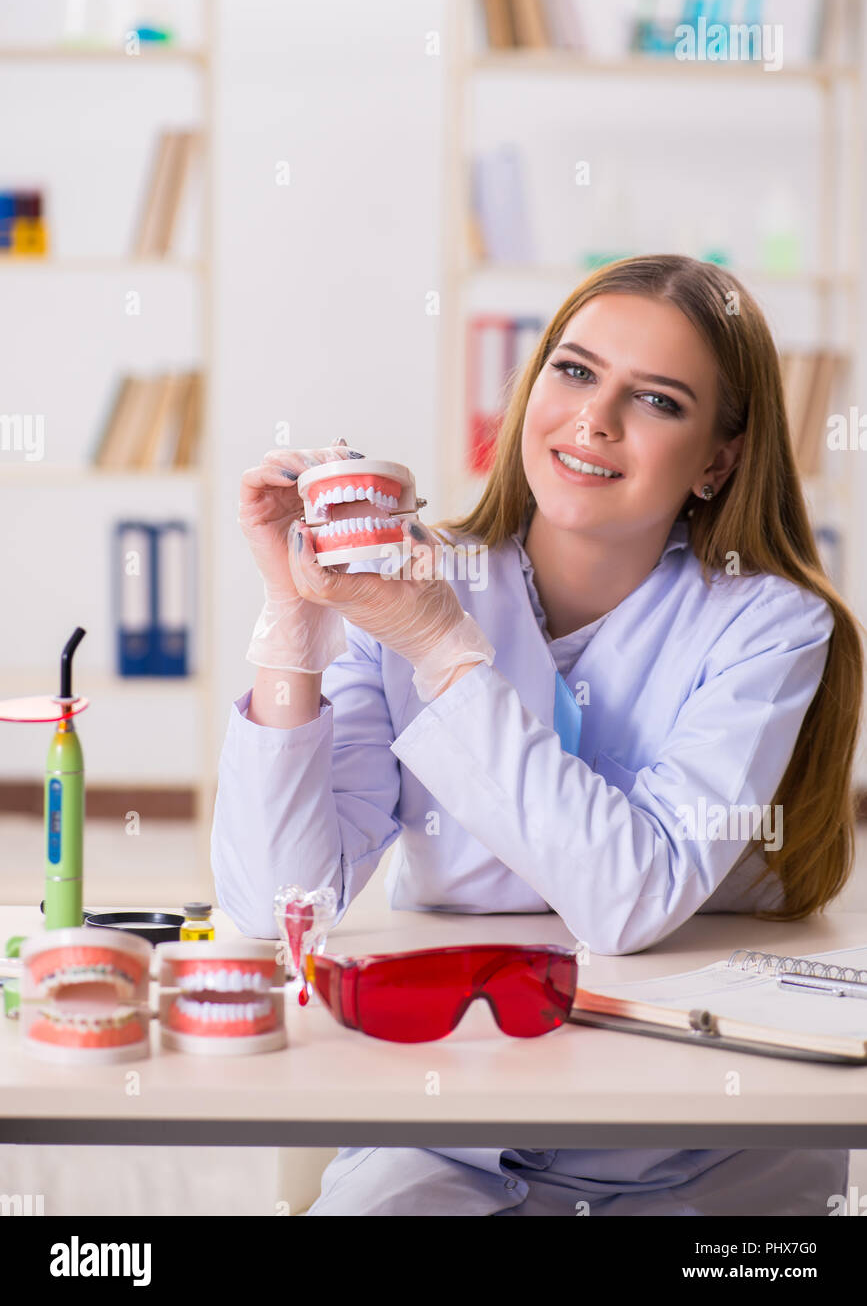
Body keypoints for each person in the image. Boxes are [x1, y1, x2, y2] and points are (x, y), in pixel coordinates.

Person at [211, 254, 863, 1215]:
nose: (594, 419)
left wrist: (441, 646)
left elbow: (629, 899)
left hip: (697, 1160)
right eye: (573, 370)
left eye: (658, 401)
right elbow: (274, 906)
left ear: (719, 458)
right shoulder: (414, 586)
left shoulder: (765, 624)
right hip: (451, 1135)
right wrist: (293, 620)